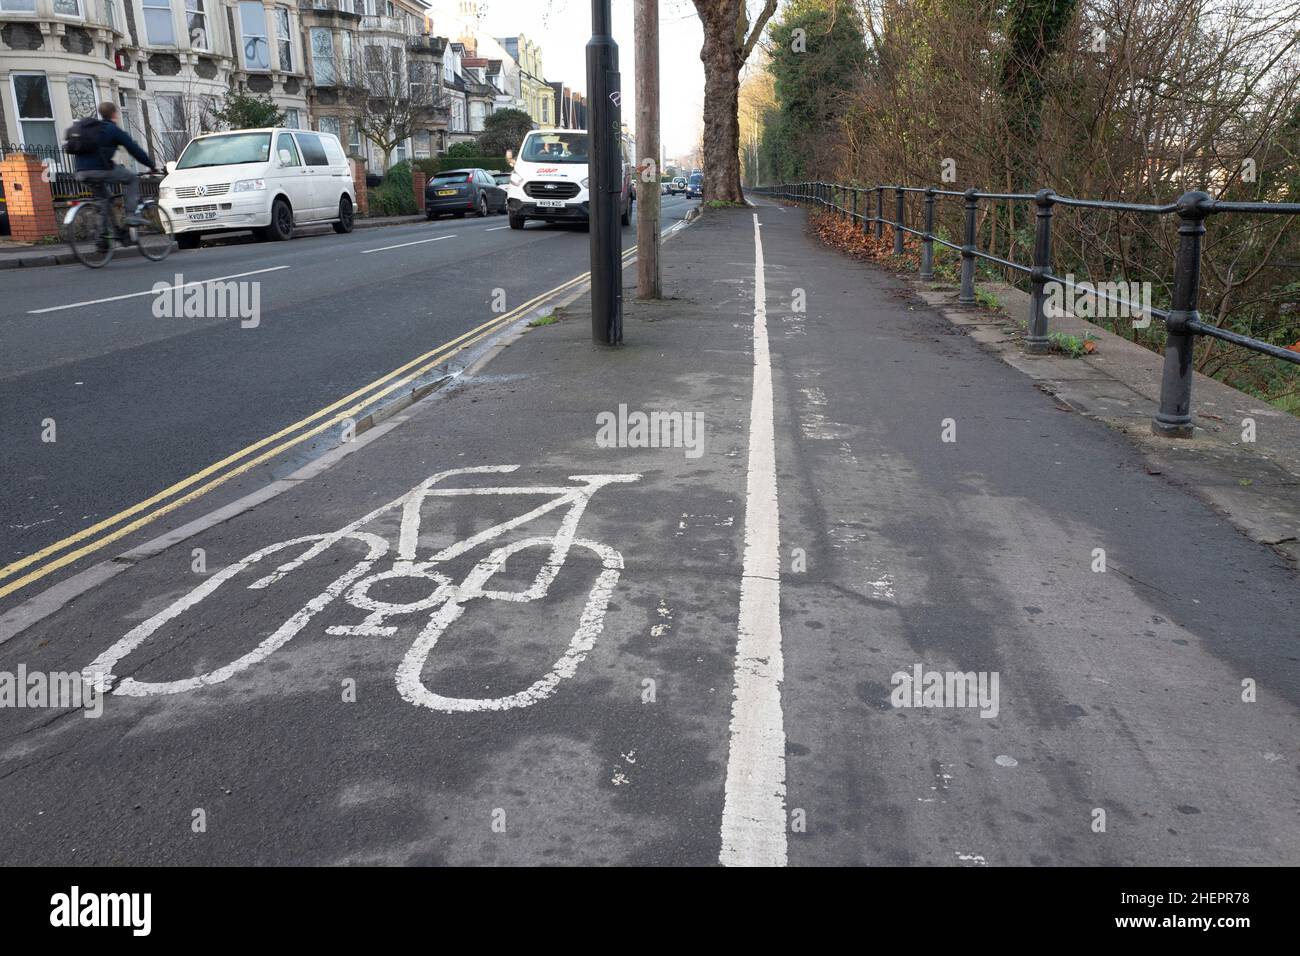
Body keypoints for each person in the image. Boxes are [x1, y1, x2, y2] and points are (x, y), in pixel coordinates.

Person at [74, 101, 157, 226]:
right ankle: (131, 215)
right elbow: (134, 149)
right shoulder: (112, 129)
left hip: (80, 172)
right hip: (100, 169)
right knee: (132, 178)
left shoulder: (93, 129)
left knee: (105, 200)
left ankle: (103, 239)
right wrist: (151, 165)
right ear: (114, 114)